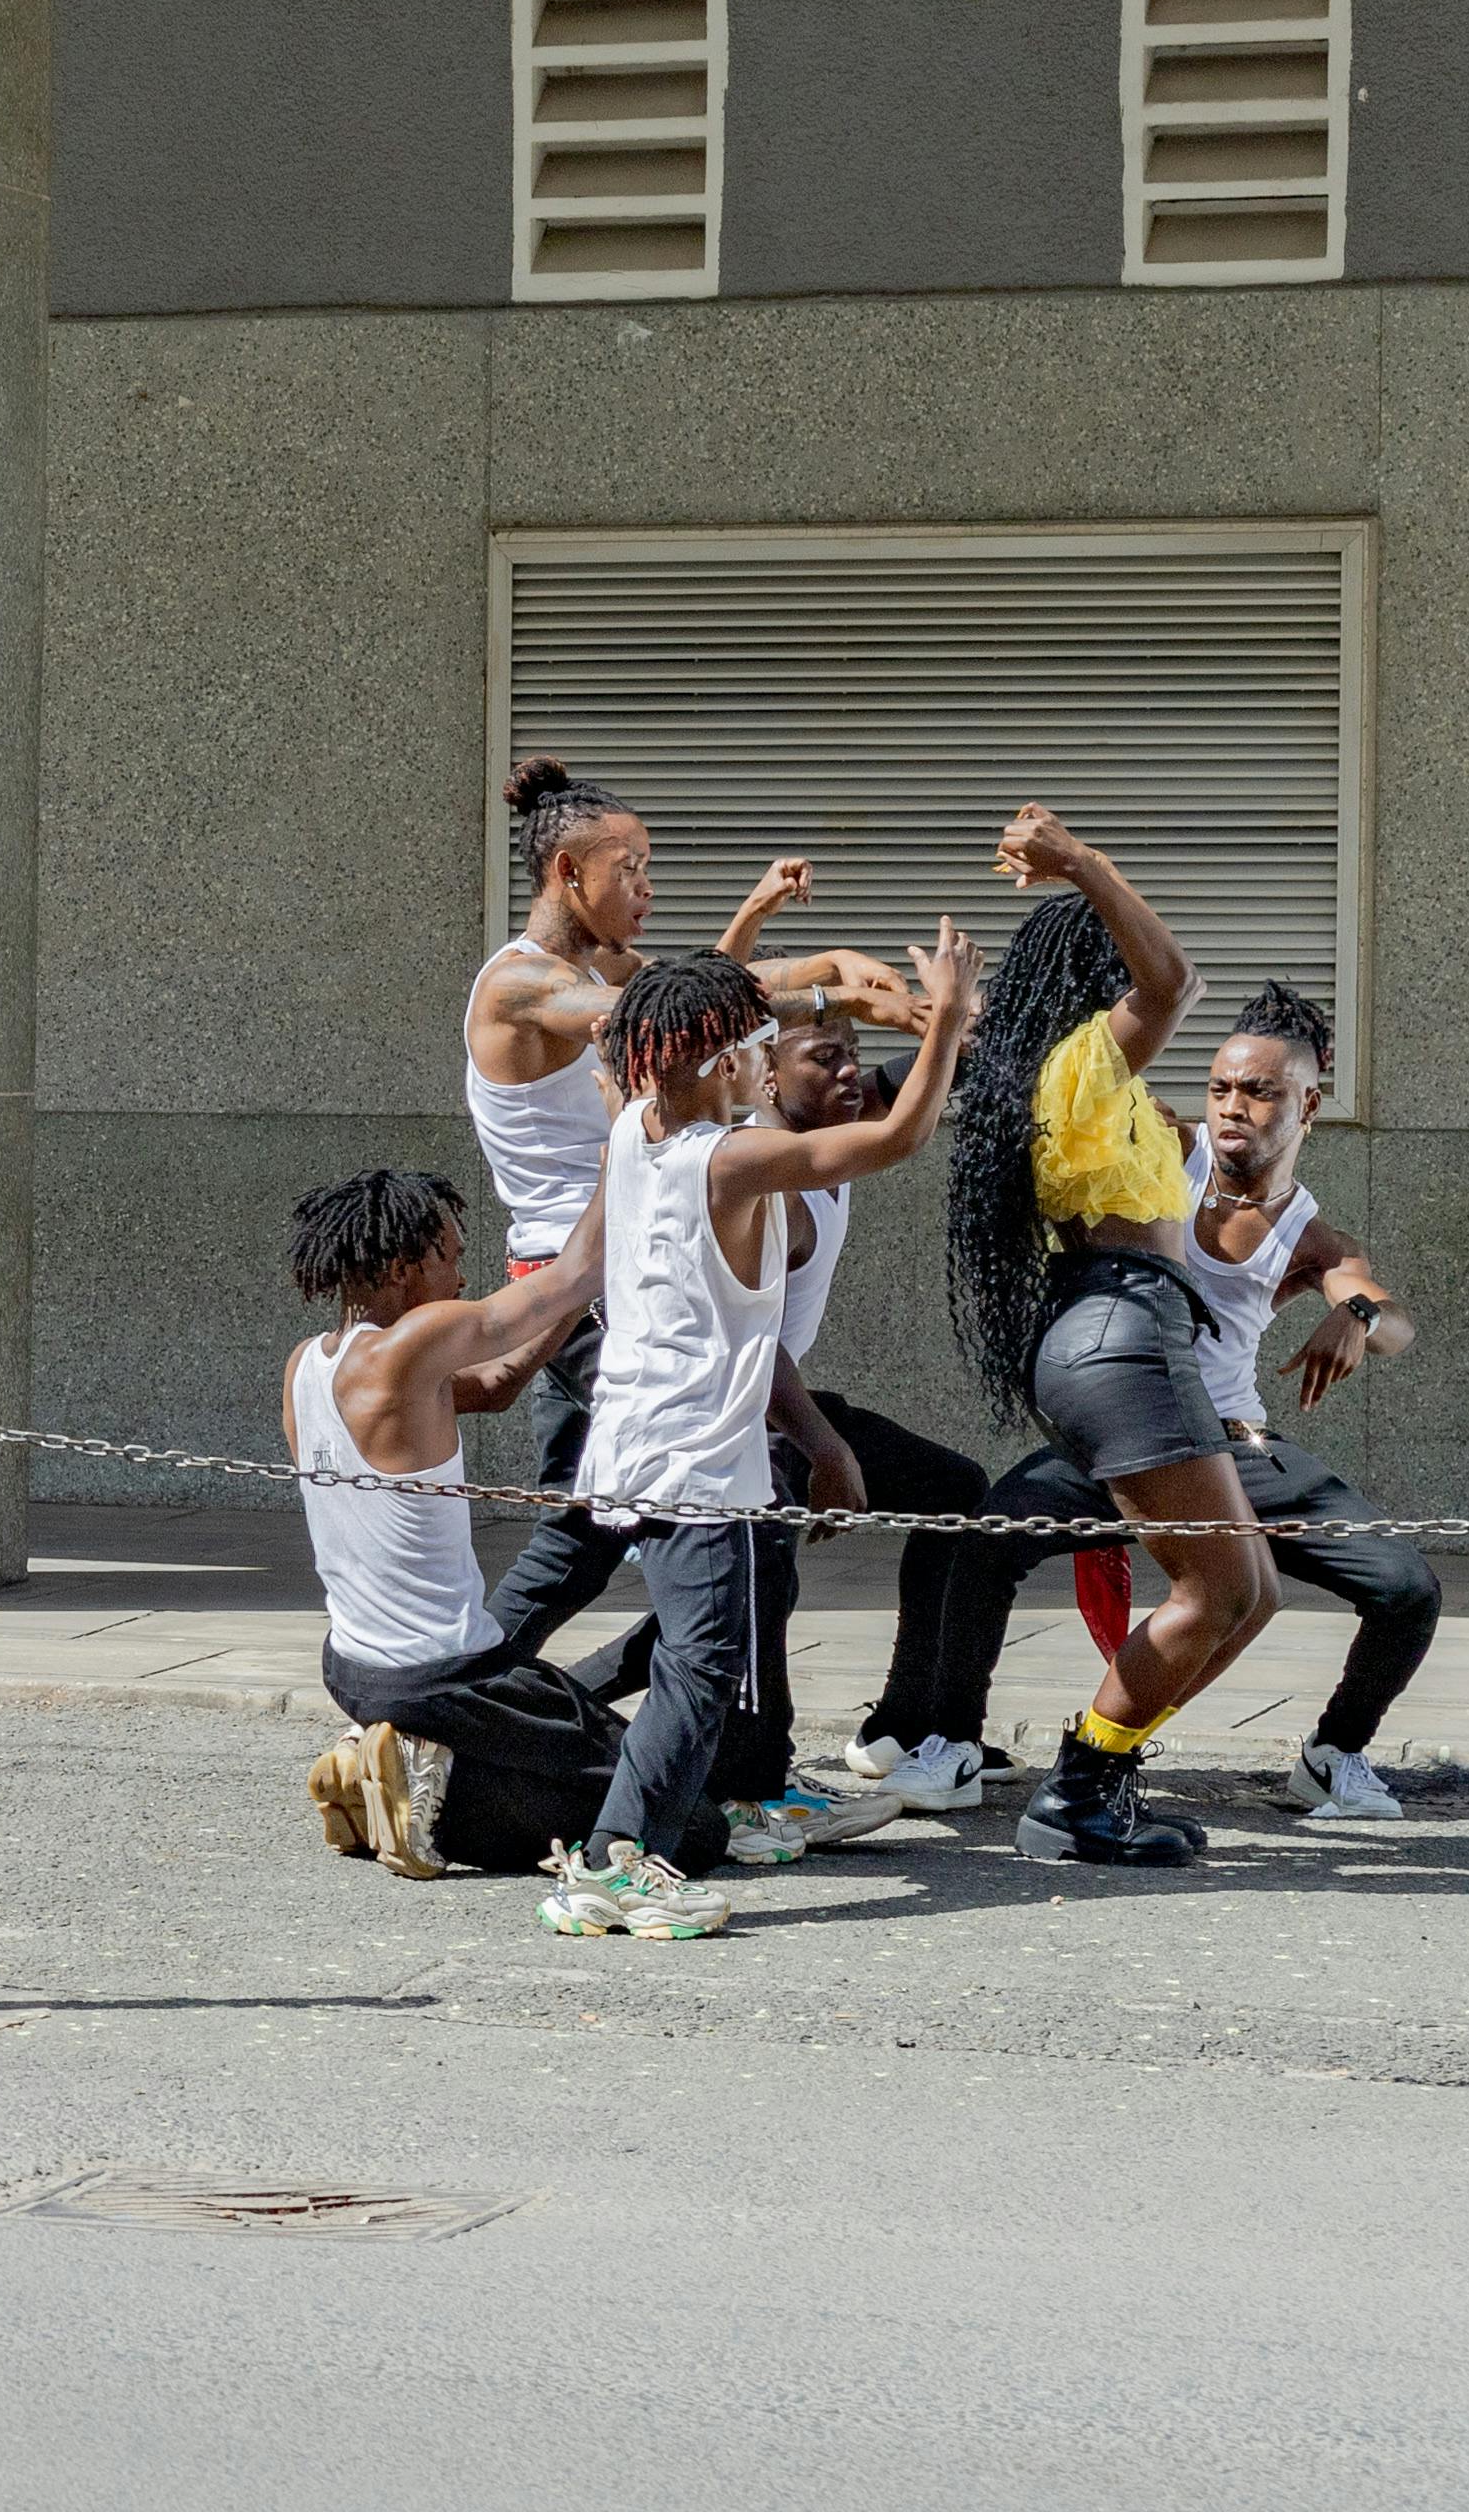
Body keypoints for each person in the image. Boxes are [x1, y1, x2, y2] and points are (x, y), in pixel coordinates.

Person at [896, 975, 1443, 1827]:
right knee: (988, 1537)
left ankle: (1331, 1756)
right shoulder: (1163, 1148)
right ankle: (954, 1746)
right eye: (1221, 1088)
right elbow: (1093, 1070)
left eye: (1261, 1092)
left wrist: (1355, 1313)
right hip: (1122, 1429)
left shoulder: (1311, 1235)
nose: (1233, 1108)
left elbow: (1394, 1316)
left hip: (1228, 1444)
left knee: (1406, 1587)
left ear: (1309, 1103)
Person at [544, 923, 981, 1940]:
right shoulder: (731, 1159)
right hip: (702, 1460)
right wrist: (946, 1021)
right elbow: (894, 1139)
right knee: (701, 1667)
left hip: (636, 1441)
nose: (759, 1055)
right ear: (716, 1061)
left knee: (693, 1656)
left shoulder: (633, 1130)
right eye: (747, 1044)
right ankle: (621, 1861)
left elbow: (584, 1257)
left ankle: (637, 1842)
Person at [463, 757, 921, 1664]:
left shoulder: (593, 963)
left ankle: (489, 1697)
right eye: (627, 867)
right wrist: (833, 993)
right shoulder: (518, 987)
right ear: (567, 873)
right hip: (579, 1287)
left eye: (646, 864)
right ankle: (459, 1692)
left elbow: (698, 991)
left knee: (617, 1524)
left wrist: (831, 959)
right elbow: (662, 1015)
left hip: (619, 1273)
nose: (646, 886)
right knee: (640, 1526)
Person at [922, 807, 1259, 1869]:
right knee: (1217, 1589)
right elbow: (1173, 982)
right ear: (1088, 973)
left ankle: (1101, 1776)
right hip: (1120, 1328)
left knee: (1246, 1592)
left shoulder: (1067, 1076)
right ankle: (1076, 1793)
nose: (1130, 971)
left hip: (1121, 1323)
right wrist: (1083, 863)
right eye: (1109, 952)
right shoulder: (1083, 1054)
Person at [284, 1170, 614, 1878]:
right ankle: (417, 1773)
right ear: (402, 1267)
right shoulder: (414, 1340)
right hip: (447, 1673)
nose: (463, 1275)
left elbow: (495, 1386)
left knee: (563, 1752)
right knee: (656, 1806)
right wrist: (624, 1141)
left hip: (355, 1667)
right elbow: (578, 1266)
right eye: (451, 1256)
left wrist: (575, 1306)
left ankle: (374, 1755)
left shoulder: (308, 1365)